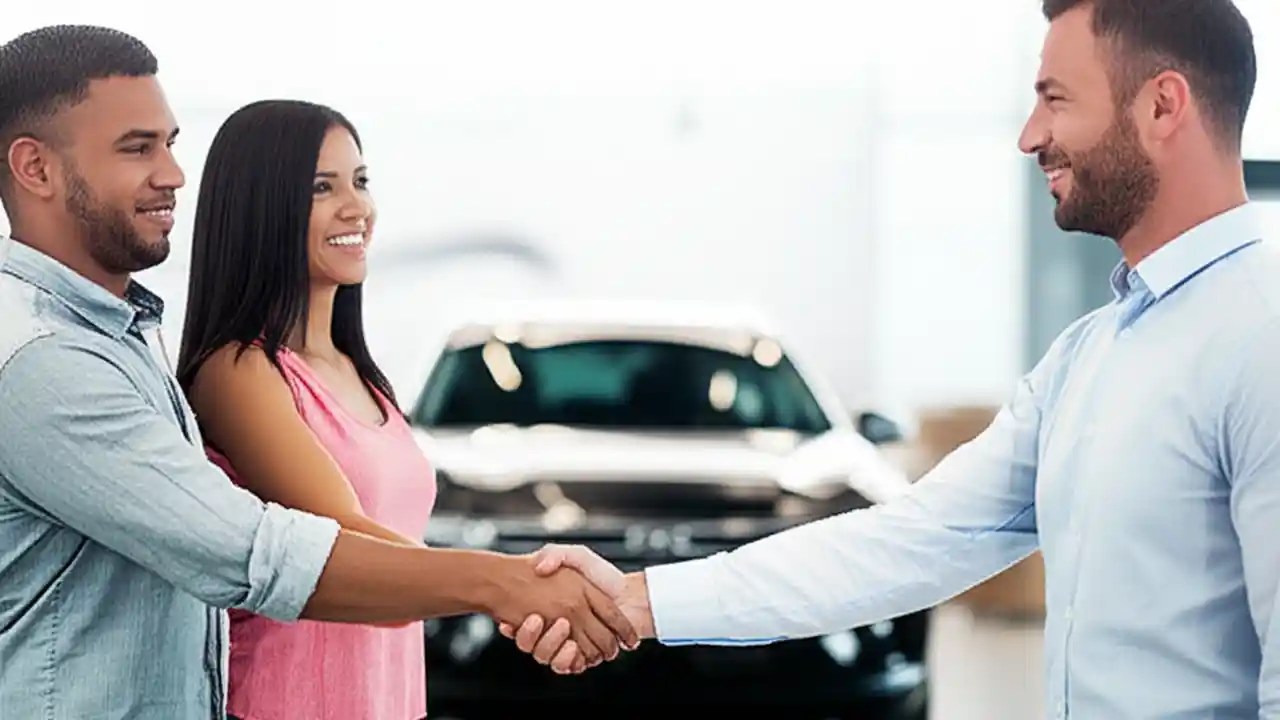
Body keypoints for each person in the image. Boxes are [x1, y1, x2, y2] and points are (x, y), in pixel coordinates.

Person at [506, 0, 1280, 716]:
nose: (1030, 135)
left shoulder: (1261, 337)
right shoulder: (1089, 356)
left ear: (1162, 105)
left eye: (1057, 98)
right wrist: (639, 602)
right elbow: (911, 541)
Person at [0, 25, 635, 720]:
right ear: (35, 169)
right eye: (137, 147)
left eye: (170, 144)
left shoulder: (117, 337)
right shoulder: (46, 363)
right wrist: (508, 585)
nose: (175, 174)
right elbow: (253, 553)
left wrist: (515, 586)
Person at [174, 100, 433, 719]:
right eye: (322, 187)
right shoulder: (237, 371)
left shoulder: (363, 377)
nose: (357, 208)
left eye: (361, 181)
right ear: (262, 208)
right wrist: (510, 585)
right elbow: (342, 549)